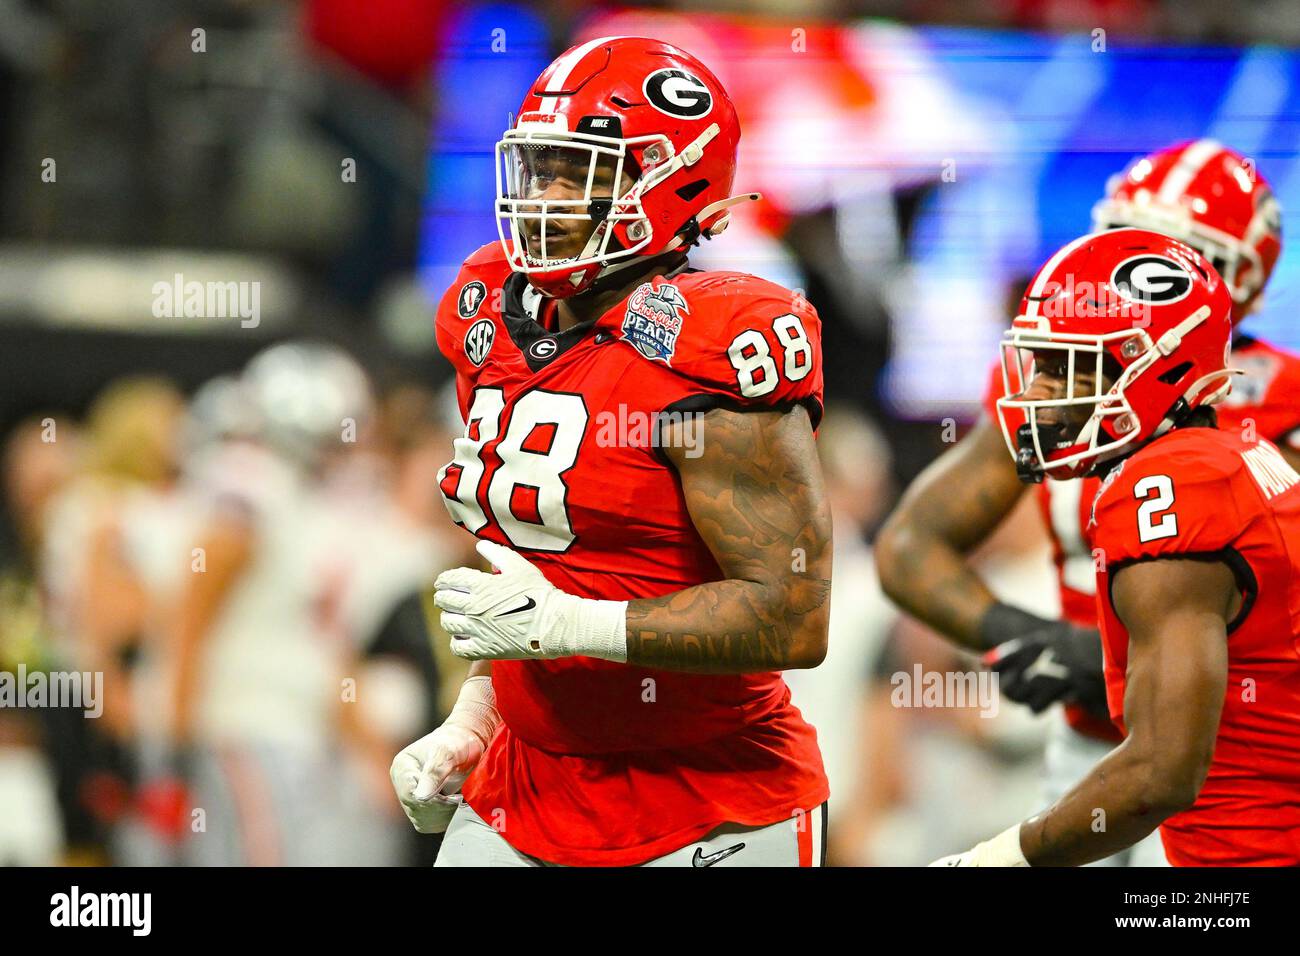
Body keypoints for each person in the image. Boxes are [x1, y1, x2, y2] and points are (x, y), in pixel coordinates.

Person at [390, 35, 832, 867]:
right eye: (542, 169)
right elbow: (531, 567)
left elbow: (793, 614)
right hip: (527, 782)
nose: (549, 198)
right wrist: (478, 718)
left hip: (708, 794)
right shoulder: (491, 314)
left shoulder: (716, 339)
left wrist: (574, 625)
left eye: (582, 174)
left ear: (674, 181)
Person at [875, 140, 1295, 865]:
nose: (1136, 265)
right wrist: (1022, 633)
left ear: (1242, 278)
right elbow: (910, 546)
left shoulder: (1272, 408)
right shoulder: (1065, 379)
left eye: (1171, 249)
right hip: (1097, 745)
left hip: (1227, 765)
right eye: (1122, 237)